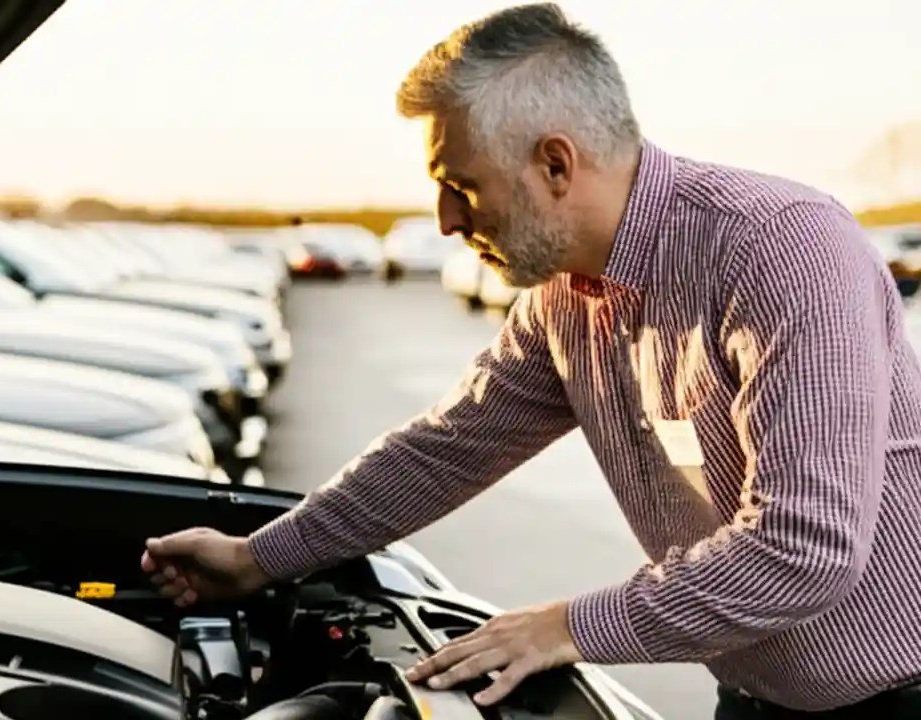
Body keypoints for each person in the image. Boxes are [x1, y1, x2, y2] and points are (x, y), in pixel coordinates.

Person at [140, 4, 921, 717]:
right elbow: (443, 451)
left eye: (462, 187)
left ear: (556, 164)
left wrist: (565, 628)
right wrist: (256, 558)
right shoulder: (562, 304)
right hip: (754, 698)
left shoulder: (780, 250)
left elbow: (803, 547)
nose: (445, 221)